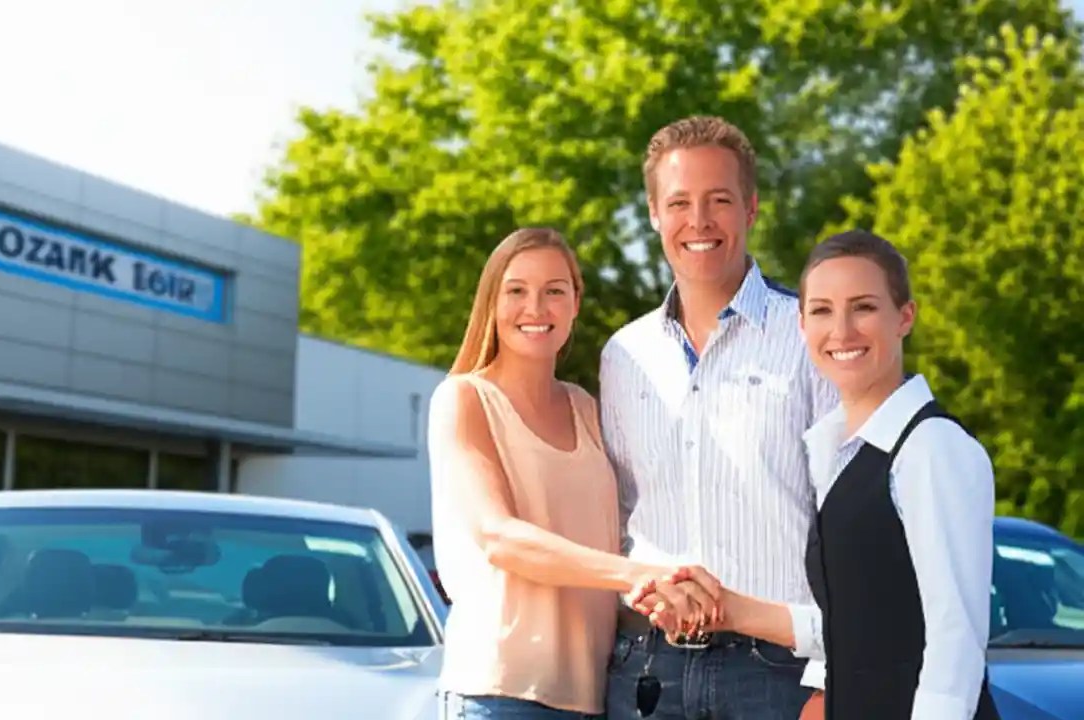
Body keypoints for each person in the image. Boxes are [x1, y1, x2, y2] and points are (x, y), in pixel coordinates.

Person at [647, 230, 1002, 719]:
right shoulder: (832, 452)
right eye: (821, 311)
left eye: (863, 307)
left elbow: (954, 640)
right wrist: (735, 613)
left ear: (905, 317)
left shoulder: (931, 448)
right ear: (801, 323)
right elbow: (859, 624)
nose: (842, 331)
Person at [428, 227, 722, 719]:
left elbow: (612, 537)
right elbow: (502, 539)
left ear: (575, 303)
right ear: (491, 303)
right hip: (500, 692)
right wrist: (638, 574)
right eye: (517, 291)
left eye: (554, 291)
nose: (536, 308)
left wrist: (673, 592)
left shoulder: (585, 407)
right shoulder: (464, 400)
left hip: (593, 693)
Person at [600, 116, 838, 719]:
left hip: (780, 676)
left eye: (719, 201)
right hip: (649, 676)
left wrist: (830, 678)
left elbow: (848, 523)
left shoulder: (811, 336)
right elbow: (624, 515)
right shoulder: (622, 356)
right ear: (654, 213)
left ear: (751, 208)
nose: (699, 221)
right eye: (679, 202)